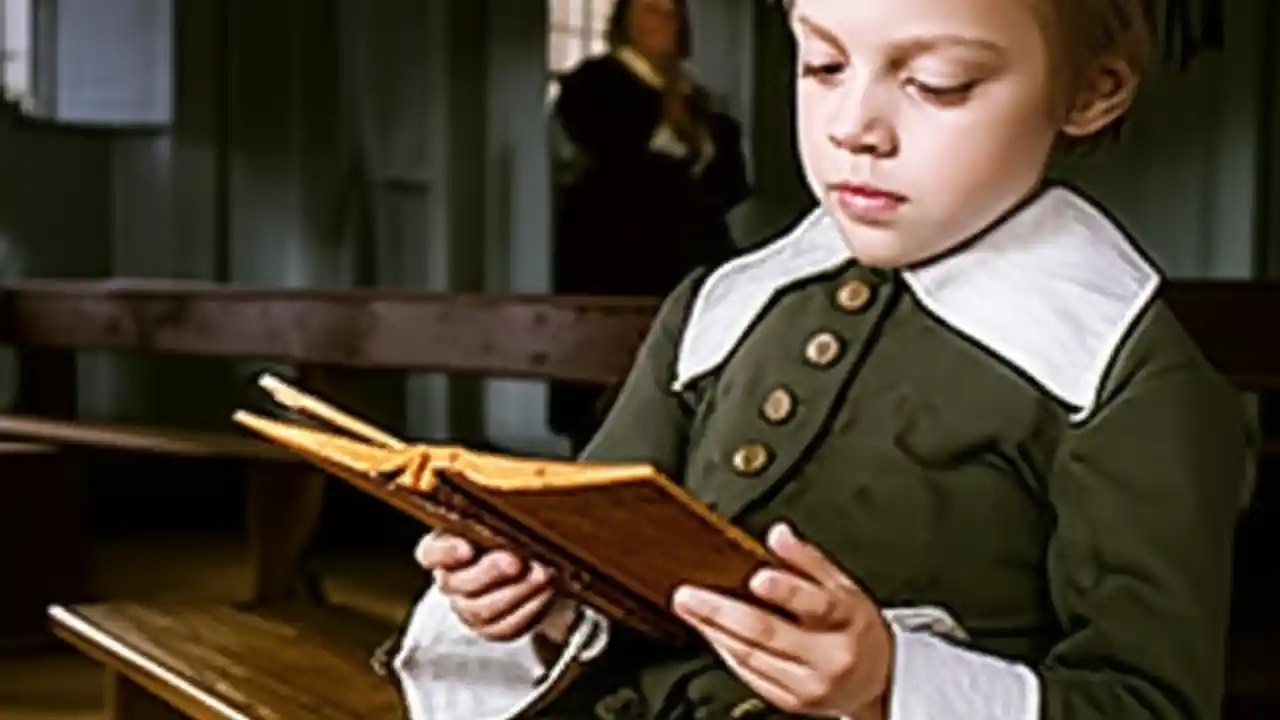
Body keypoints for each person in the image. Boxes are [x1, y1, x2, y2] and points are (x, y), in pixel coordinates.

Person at [398, 0, 1248, 718]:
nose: (854, 129)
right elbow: (605, 564)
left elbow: (1148, 702)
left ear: (1094, 90)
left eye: (937, 83)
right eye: (823, 65)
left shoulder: (1120, 369)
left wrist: (889, 686)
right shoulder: (720, 308)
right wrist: (537, 601)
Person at [547, 0, 751, 454]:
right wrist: (665, 122)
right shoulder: (595, 82)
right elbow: (608, 151)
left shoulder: (697, 98)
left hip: (687, 253)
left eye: (673, 14)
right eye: (652, 11)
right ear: (626, 22)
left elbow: (730, 182)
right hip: (612, 250)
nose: (666, 24)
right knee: (603, 378)